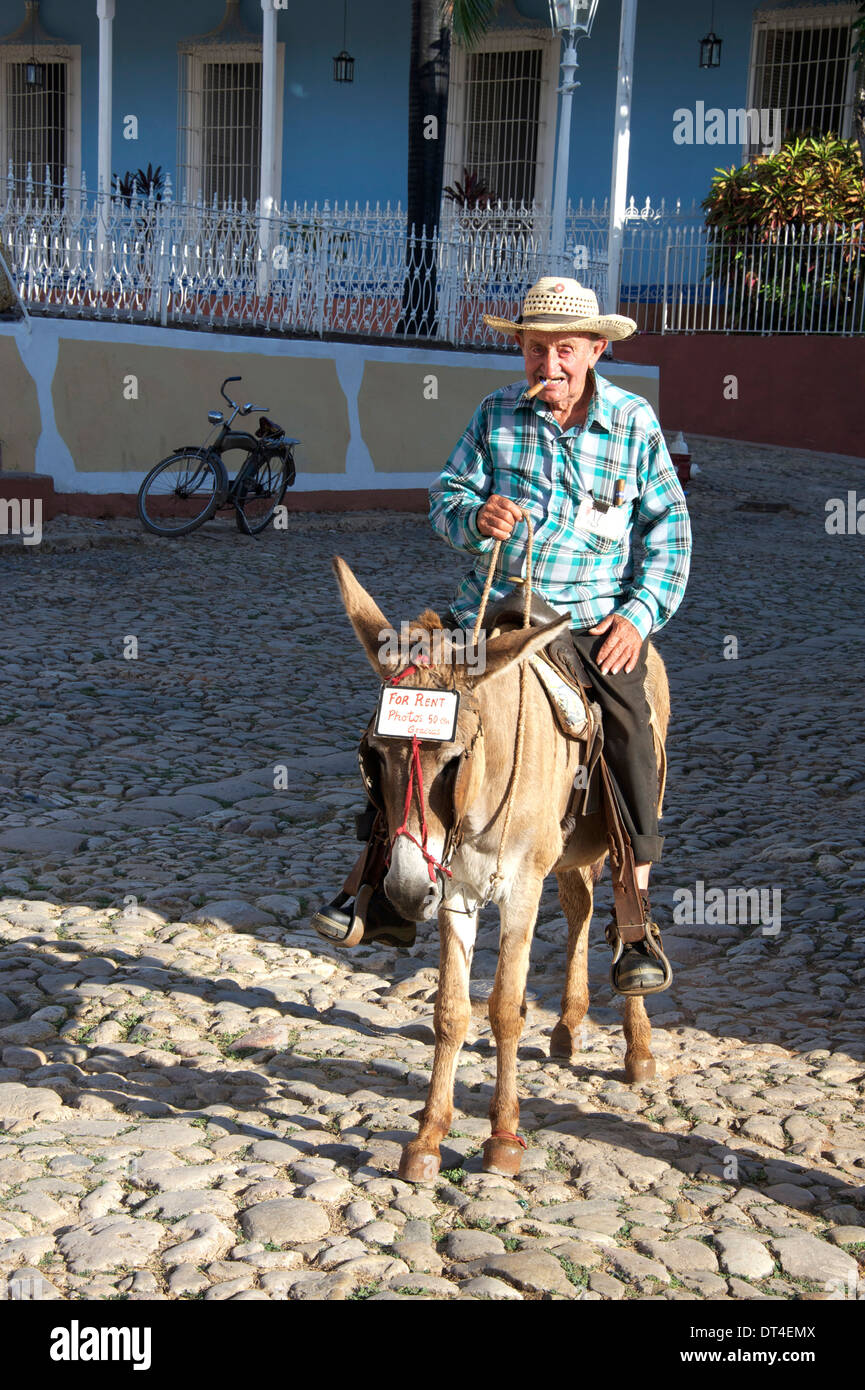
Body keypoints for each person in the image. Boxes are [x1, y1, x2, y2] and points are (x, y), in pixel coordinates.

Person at [313, 277, 692, 994]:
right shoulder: (494, 415)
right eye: (535, 349)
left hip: (583, 622)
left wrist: (637, 617)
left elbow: (668, 532)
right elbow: (444, 498)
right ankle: (374, 879)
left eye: (565, 350)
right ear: (519, 348)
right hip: (486, 615)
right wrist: (473, 516)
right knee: (402, 714)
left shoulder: (633, 424)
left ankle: (633, 916)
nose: (549, 364)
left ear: (596, 349)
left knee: (630, 732)